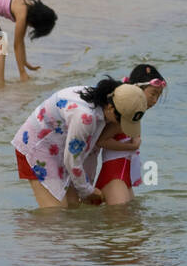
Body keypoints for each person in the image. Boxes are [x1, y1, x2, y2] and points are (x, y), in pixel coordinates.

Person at [12, 78, 147, 208]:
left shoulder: (103, 99)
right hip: (36, 148)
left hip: (59, 147)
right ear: (111, 108)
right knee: (55, 213)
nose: (118, 126)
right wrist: (87, 190)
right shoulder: (85, 117)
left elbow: (88, 152)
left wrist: (86, 187)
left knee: (73, 208)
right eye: (121, 121)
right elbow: (72, 161)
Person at [96, 63, 168, 205]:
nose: (155, 101)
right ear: (137, 89)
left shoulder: (133, 115)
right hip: (114, 176)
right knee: (123, 222)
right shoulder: (123, 114)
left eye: (158, 96)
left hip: (122, 175)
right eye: (152, 94)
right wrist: (132, 147)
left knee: (130, 224)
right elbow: (101, 141)